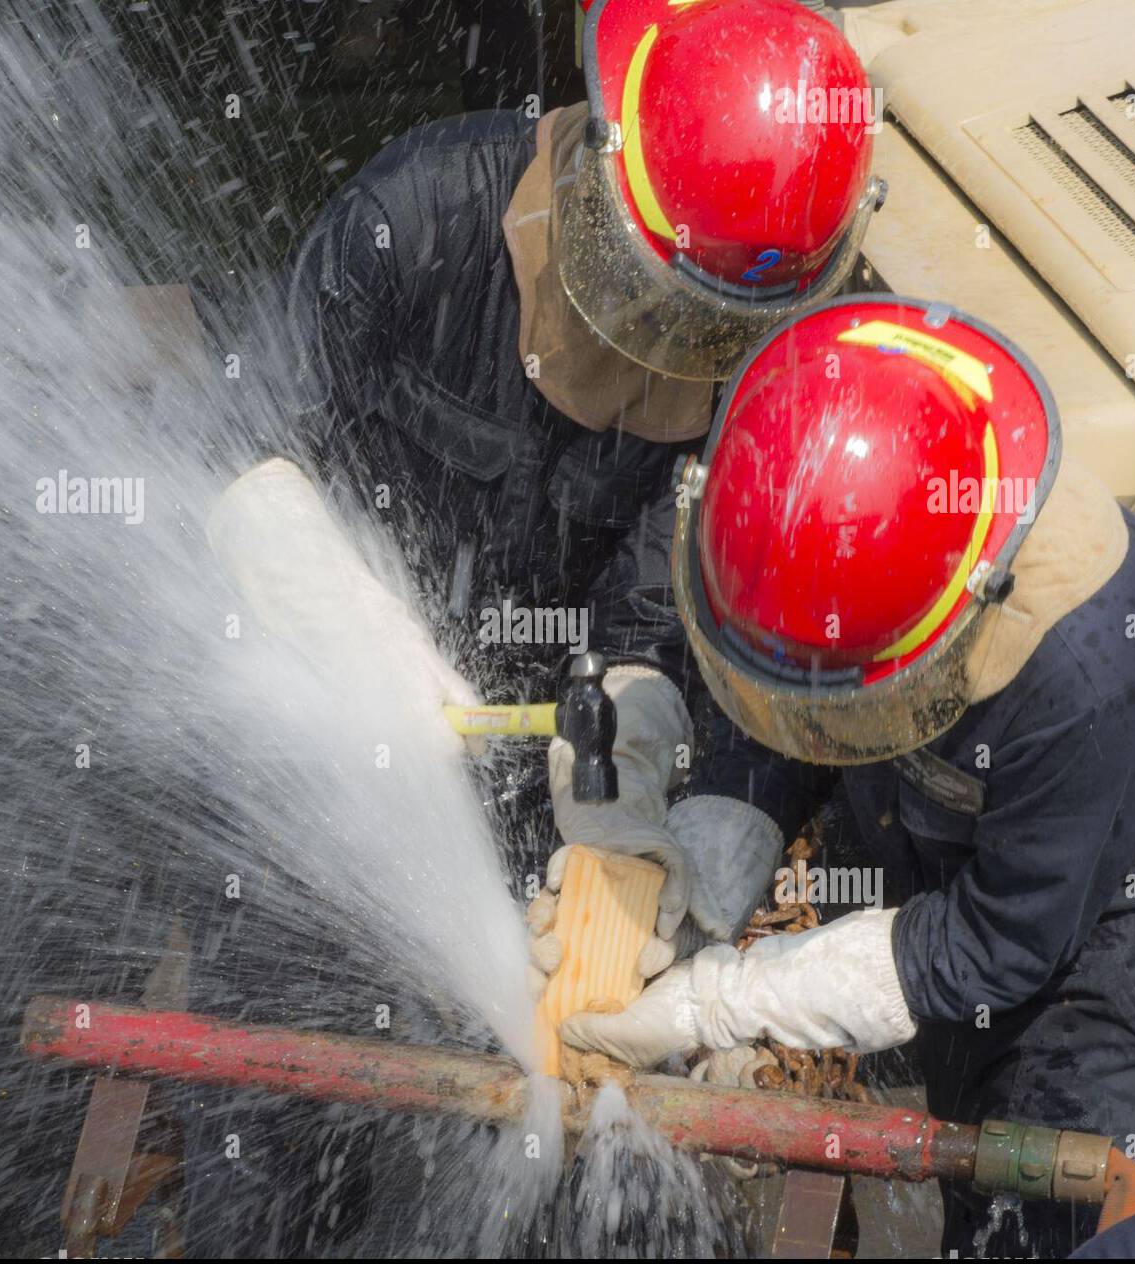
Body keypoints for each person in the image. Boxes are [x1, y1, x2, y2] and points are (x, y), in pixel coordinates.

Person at [559, 294, 1135, 1258]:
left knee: (1049, 1243)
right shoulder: (845, 465)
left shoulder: (1094, 670)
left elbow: (994, 948)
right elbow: (796, 699)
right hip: (937, 872)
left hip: (1104, 990)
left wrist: (714, 998)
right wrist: (701, 879)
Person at [285, 0, 884, 972]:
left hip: (555, 773)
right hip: (331, 746)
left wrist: (724, 805)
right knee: (278, 1013)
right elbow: (245, 450)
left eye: (714, 329)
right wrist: (348, 624)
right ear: (601, 181)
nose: (678, 354)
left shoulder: (806, 352)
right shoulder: (409, 223)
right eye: (663, 306)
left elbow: (802, 630)